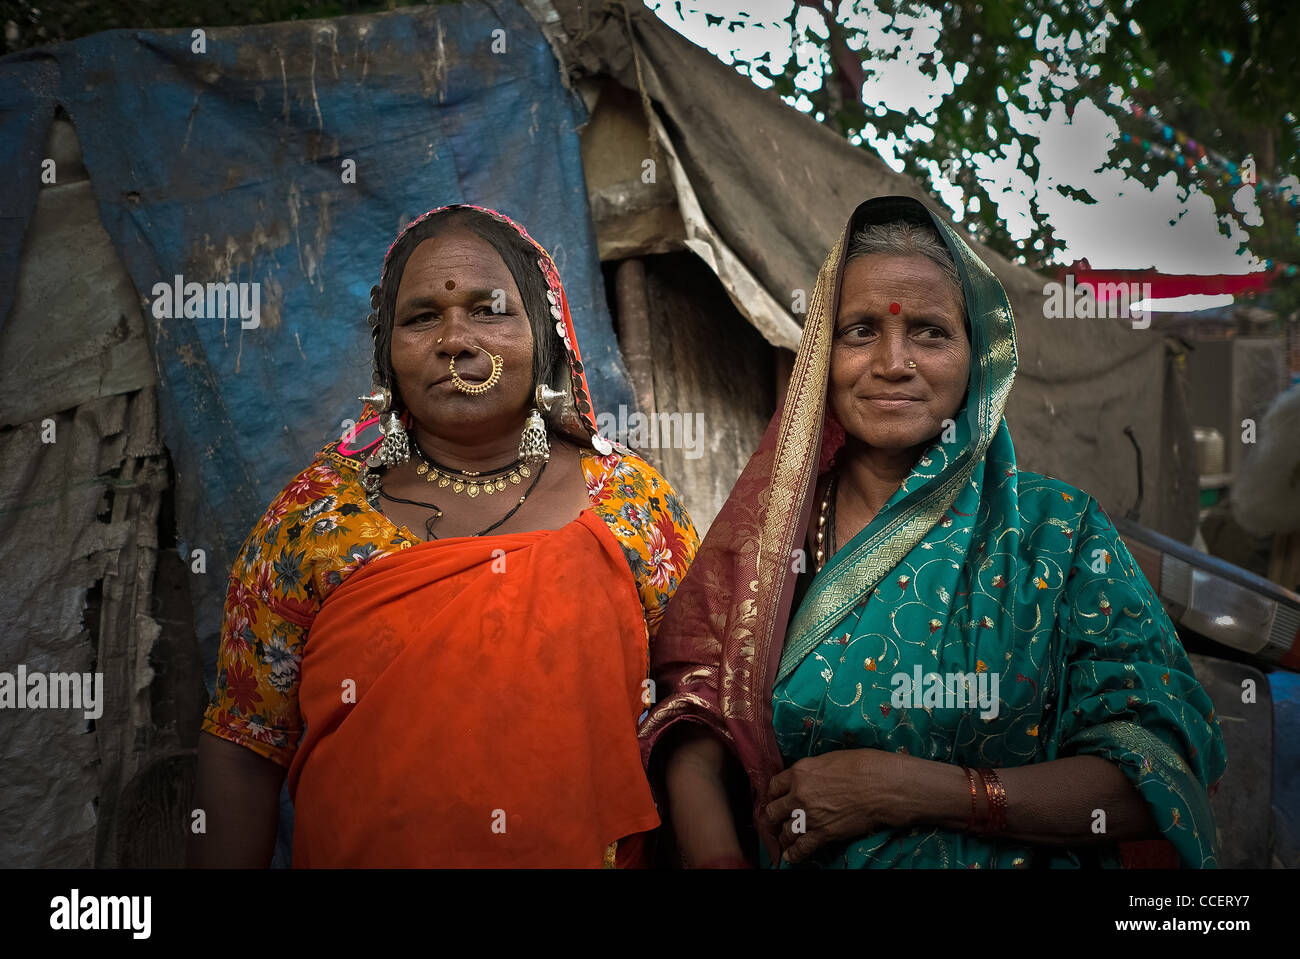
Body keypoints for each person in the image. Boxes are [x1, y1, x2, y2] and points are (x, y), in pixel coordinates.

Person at [642, 195, 1226, 869]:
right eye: (860, 331)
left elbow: (1158, 769)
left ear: (980, 358)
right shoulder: (769, 536)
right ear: (821, 355)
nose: (893, 362)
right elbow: (694, 714)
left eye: (930, 332)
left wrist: (913, 791)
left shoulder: (1059, 535)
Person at [191, 204, 699, 867]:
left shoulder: (629, 501)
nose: (454, 338)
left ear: (544, 335)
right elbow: (245, 742)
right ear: (388, 351)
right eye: (422, 317)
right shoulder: (314, 518)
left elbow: (695, 708)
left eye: (489, 310)